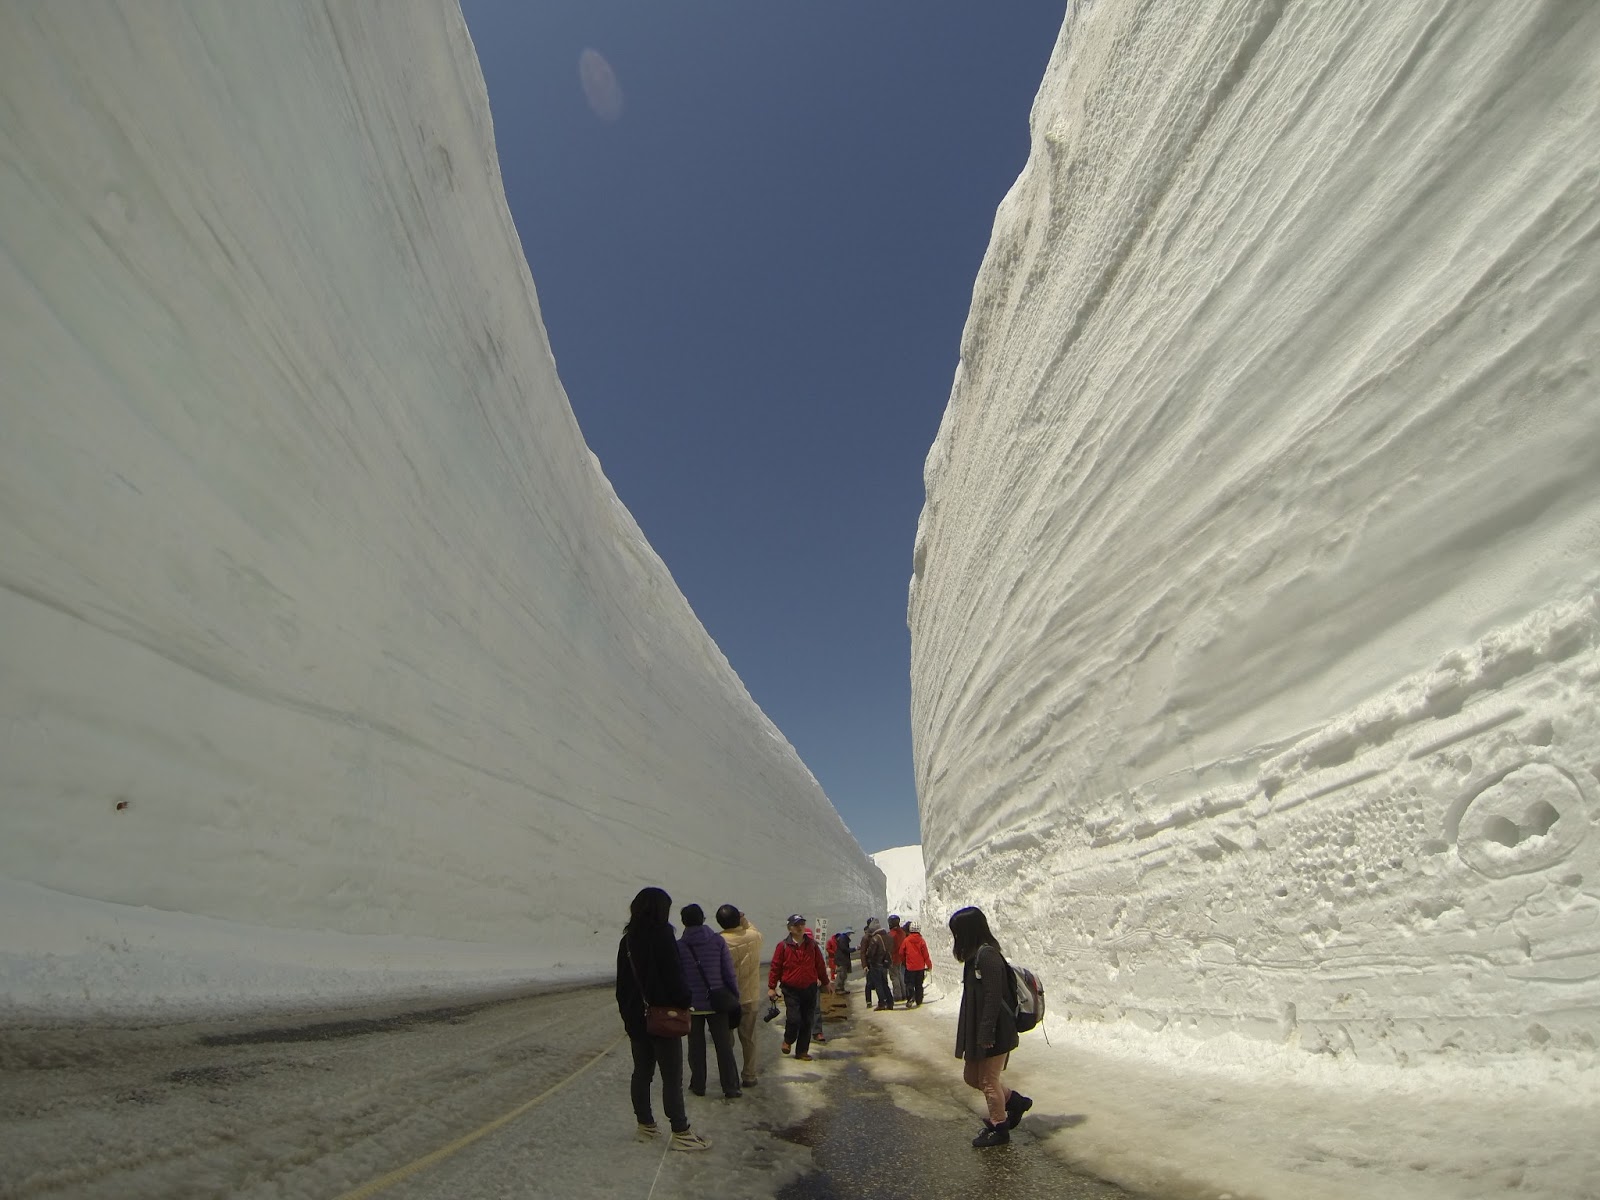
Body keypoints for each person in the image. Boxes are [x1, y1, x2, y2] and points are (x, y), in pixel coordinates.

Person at [616, 887, 711, 1151]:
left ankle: (645, 1126)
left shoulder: (627, 940)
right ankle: (681, 1131)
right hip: (664, 1018)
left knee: (642, 1073)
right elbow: (675, 978)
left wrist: (629, 1017)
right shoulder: (663, 936)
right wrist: (684, 1002)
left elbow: (622, 986)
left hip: (638, 1019)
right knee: (671, 1077)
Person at [949, 905, 1031, 1147]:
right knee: (971, 1076)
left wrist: (986, 1032)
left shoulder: (988, 956)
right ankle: (1014, 1102)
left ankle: (999, 1127)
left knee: (987, 1080)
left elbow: (994, 998)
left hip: (995, 1030)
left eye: (957, 933)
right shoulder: (975, 957)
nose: (955, 938)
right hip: (981, 1029)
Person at [677, 903, 742, 1100]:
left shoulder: (679, 946)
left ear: (683, 922)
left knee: (695, 1047)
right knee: (723, 1046)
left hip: (692, 1004)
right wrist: (733, 995)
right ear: (703, 919)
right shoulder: (717, 941)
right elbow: (728, 972)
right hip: (717, 1002)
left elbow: (678, 975)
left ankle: (698, 1085)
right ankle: (730, 1087)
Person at [767, 914, 827, 1060]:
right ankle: (788, 1040)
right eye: (796, 925)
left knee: (807, 1021)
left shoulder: (812, 945)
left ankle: (802, 1051)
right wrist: (771, 987)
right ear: (790, 928)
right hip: (791, 989)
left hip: (809, 988)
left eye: (802, 924)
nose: (800, 927)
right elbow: (775, 967)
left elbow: (820, 965)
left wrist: (825, 982)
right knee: (794, 1019)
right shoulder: (783, 946)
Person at [715, 904, 763, 1089]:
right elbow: (753, 929)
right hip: (749, 997)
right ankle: (749, 1075)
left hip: (727, 999)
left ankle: (729, 1077)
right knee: (749, 1038)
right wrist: (744, 919)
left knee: (726, 1041)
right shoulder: (753, 937)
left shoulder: (718, 941)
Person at [861, 918, 894, 1010]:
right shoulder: (889, 936)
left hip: (876, 964)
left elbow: (870, 953)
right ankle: (890, 1002)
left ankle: (881, 1003)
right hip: (885, 963)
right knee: (885, 983)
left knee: (878, 984)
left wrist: (867, 962)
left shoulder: (875, 938)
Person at [897, 921, 931, 1006]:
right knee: (919, 984)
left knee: (909, 983)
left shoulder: (906, 940)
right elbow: (925, 954)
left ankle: (910, 998)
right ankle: (919, 1000)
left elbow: (901, 952)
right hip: (920, 967)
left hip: (910, 967)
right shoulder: (922, 941)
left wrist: (904, 961)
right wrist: (929, 965)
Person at [888, 914, 909, 1002]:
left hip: (893, 957)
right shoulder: (902, 932)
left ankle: (897, 995)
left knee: (894, 977)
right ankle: (904, 993)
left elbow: (890, 947)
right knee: (900, 975)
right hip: (900, 957)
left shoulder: (892, 934)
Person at [827, 927, 854, 995]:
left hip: (841, 959)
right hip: (841, 960)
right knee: (841, 974)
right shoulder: (843, 939)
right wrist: (854, 949)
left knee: (843, 974)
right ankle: (838, 989)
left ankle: (841, 988)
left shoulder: (841, 939)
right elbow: (844, 949)